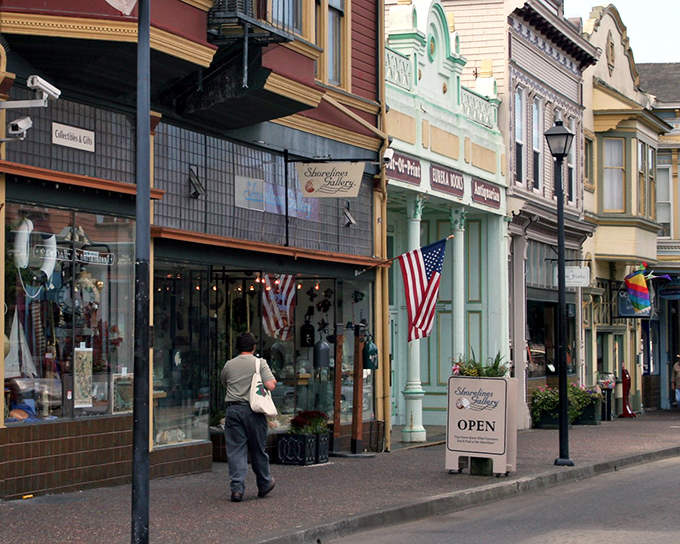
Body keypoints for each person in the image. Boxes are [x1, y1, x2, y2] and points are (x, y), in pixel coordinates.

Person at [221, 331, 277, 503]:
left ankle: (237, 490)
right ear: (253, 347)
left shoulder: (229, 365)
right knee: (257, 449)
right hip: (254, 410)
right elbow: (270, 385)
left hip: (233, 410)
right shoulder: (259, 363)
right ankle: (264, 483)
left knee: (236, 450)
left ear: (237, 347)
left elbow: (224, 382)